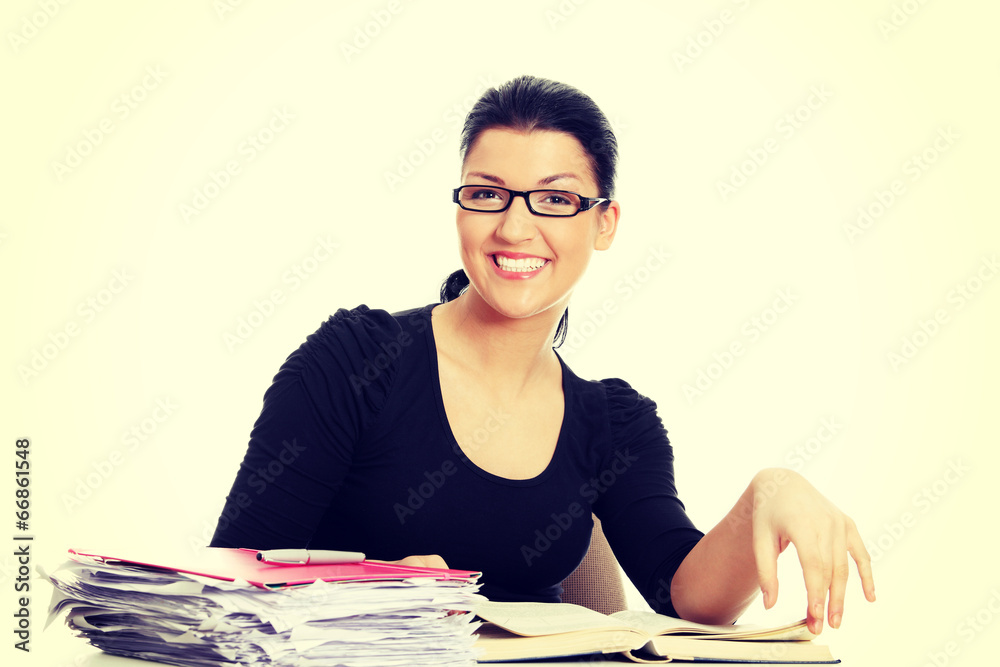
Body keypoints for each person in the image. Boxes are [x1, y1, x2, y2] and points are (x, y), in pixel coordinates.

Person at [210, 75, 875, 634]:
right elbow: (230, 583)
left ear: (604, 223)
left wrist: (770, 491)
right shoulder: (356, 359)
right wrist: (379, 594)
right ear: (461, 208)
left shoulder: (613, 422)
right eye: (487, 193)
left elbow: (687, 597)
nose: (514, 226)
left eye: (555, 198)